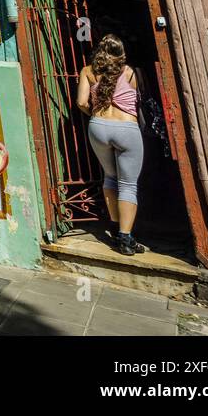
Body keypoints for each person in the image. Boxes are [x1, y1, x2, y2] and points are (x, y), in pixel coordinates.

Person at [76, 34, 146, 255]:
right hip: (127, 129)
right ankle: (126, 238)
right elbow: (140, 100)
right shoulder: (131, 72)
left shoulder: (87, 71)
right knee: (128, 184)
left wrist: (95, 114)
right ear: (121, 53)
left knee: (110, 177)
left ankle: (115, 228)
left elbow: (80, 102)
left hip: (98, 127)